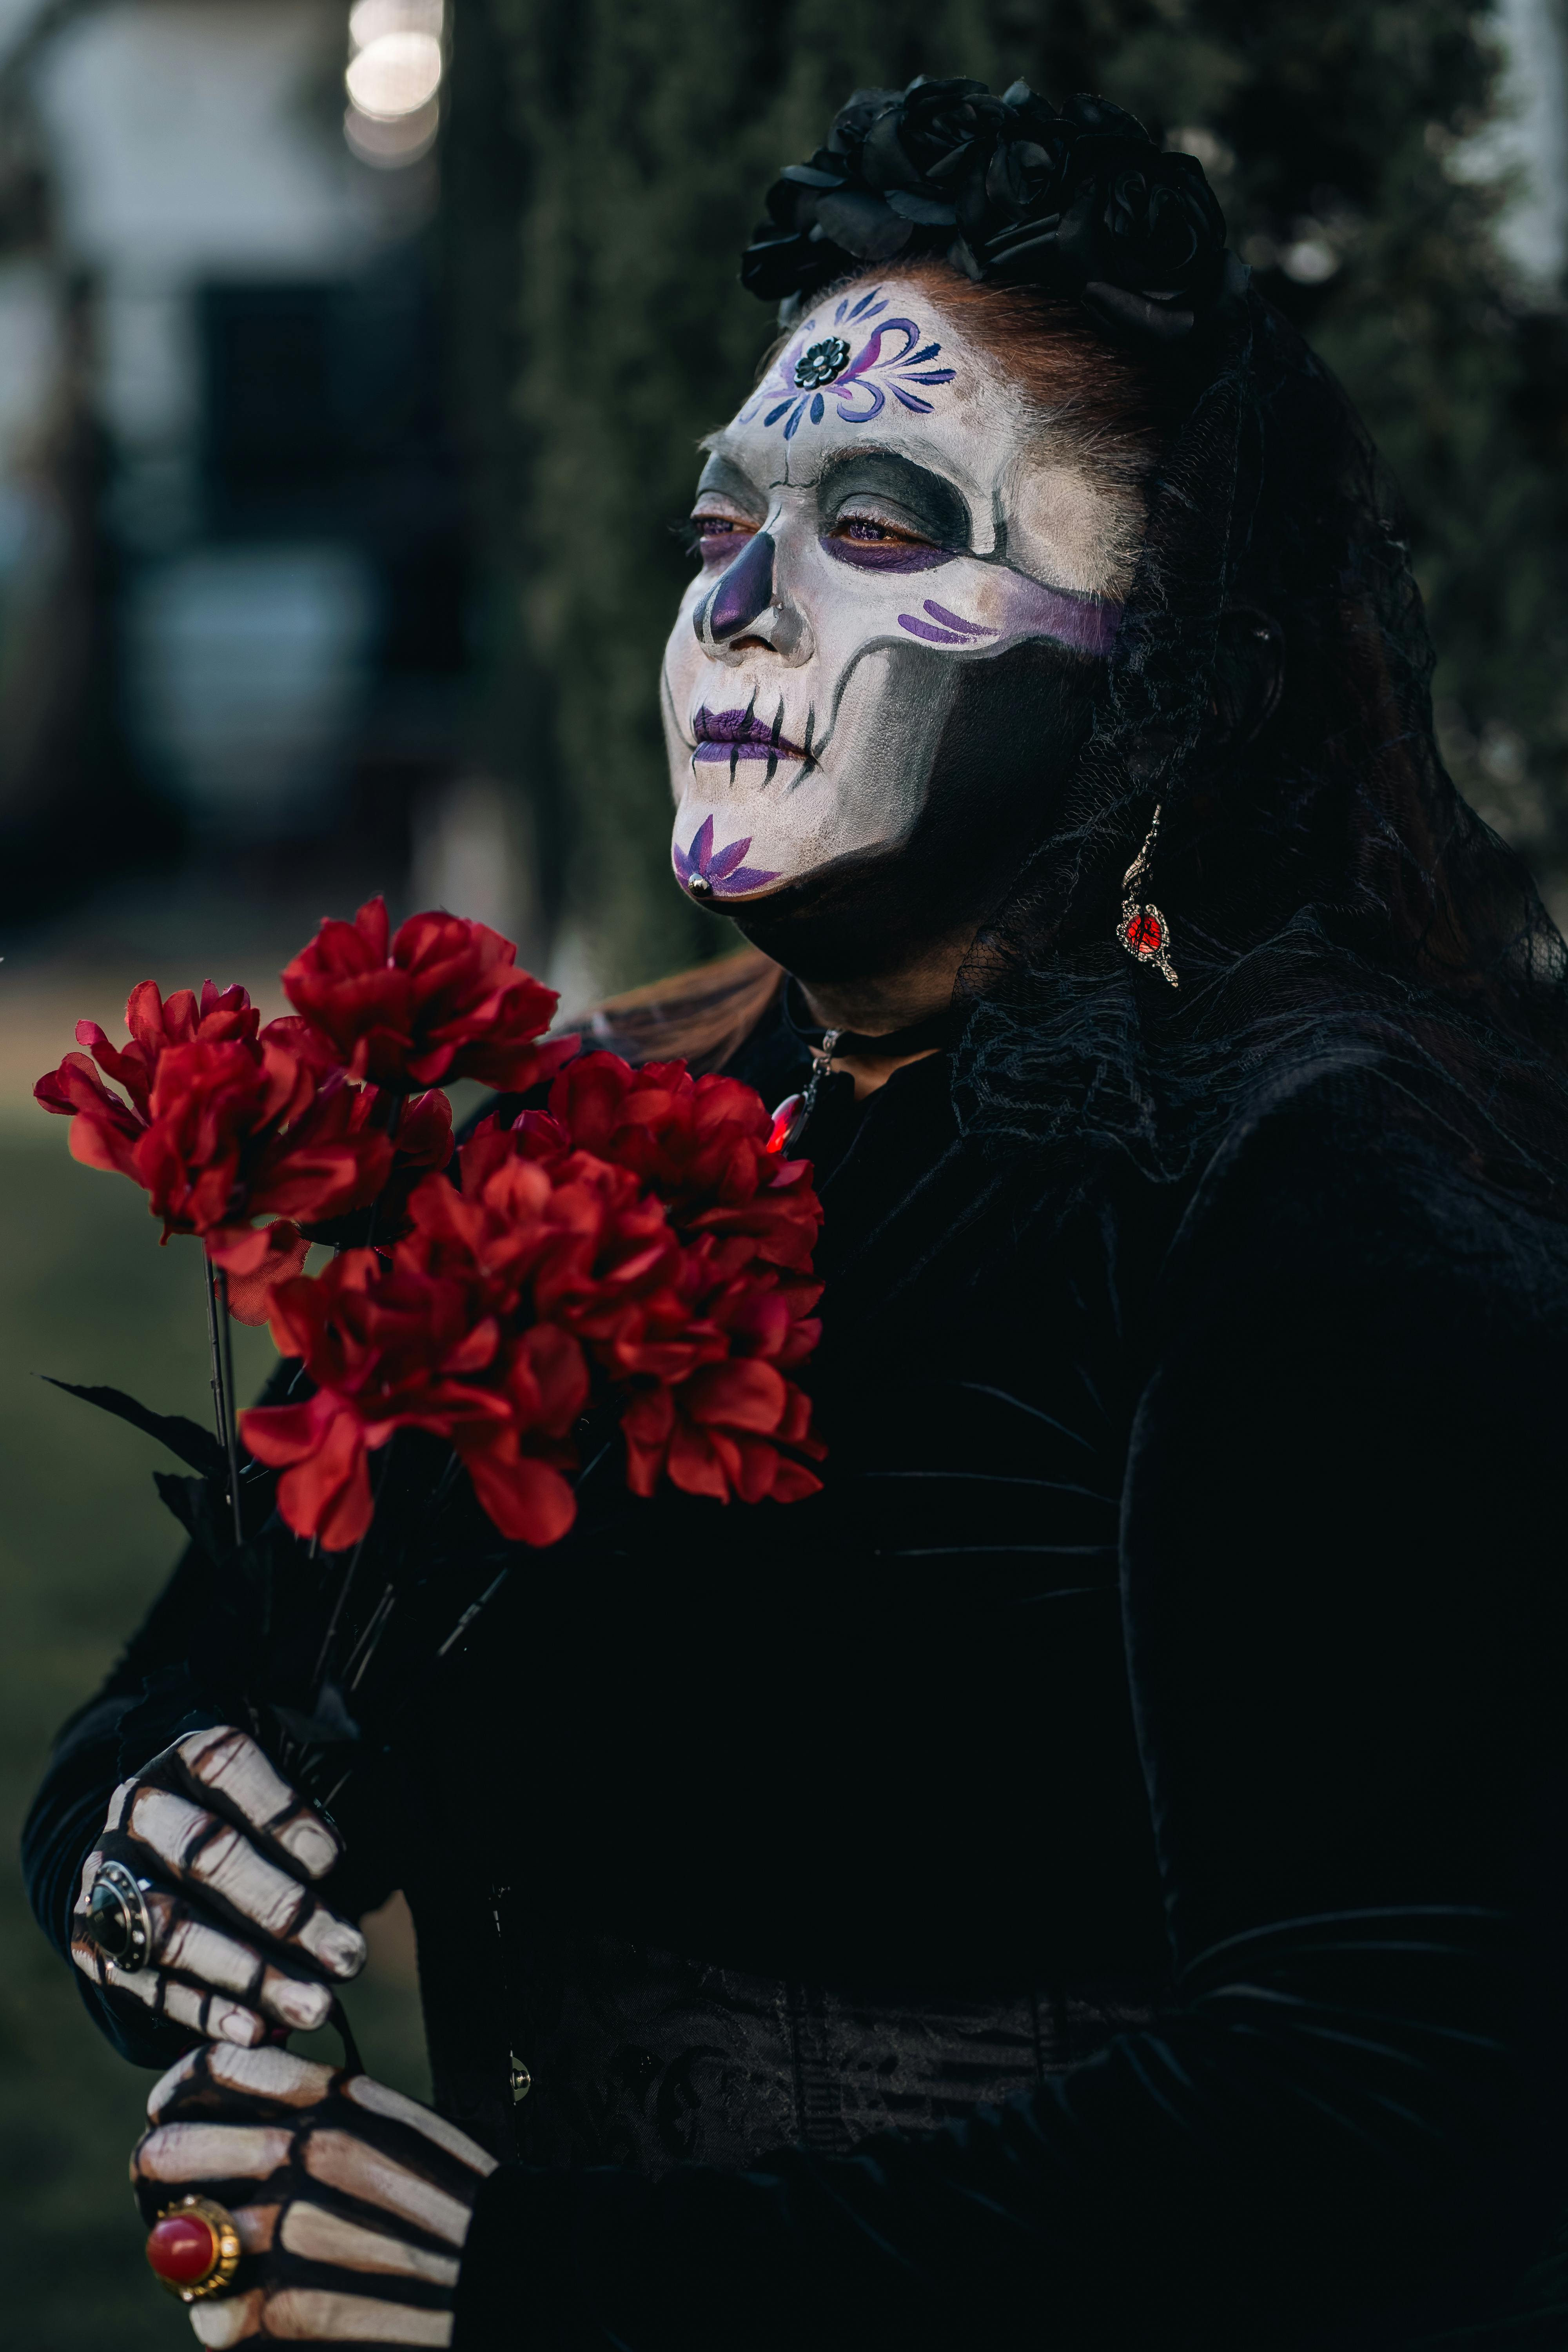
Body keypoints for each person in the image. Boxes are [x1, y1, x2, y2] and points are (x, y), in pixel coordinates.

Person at [24, 76, 1568, 2350]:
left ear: (1162, 673)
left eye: (878, 519)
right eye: (719, 514)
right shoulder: (620, 1117)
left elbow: (1402, 2108)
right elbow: (206, 1674)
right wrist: (150, 1847)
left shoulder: (1313, 1184)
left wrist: (548, 2282)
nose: (733, 603)